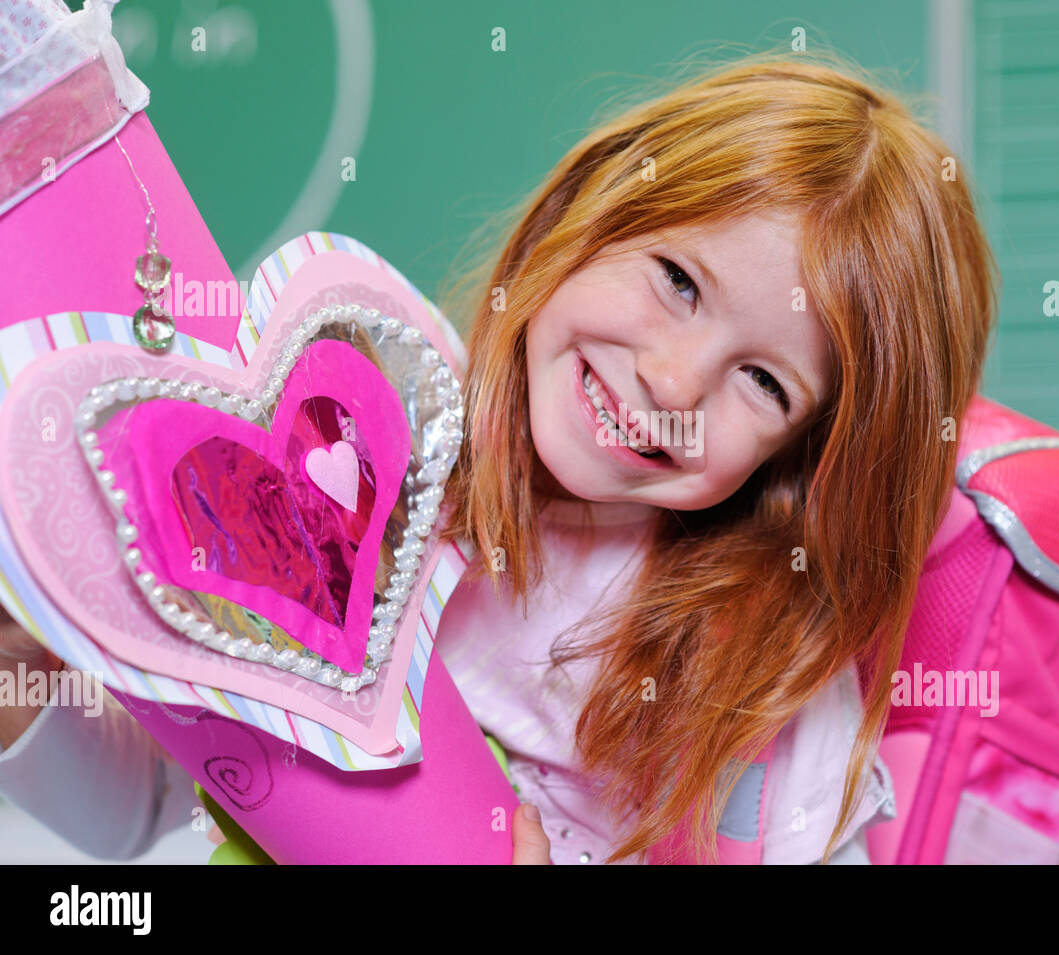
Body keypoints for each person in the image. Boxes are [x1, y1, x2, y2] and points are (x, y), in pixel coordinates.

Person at [0, 49, 996, 864]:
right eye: (679, 282)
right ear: (586, 218)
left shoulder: (751, 676)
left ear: (794, 461)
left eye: (764, 383)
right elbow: (190, 792)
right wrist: (27, 683)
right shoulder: (365, 452)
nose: (675, 380)